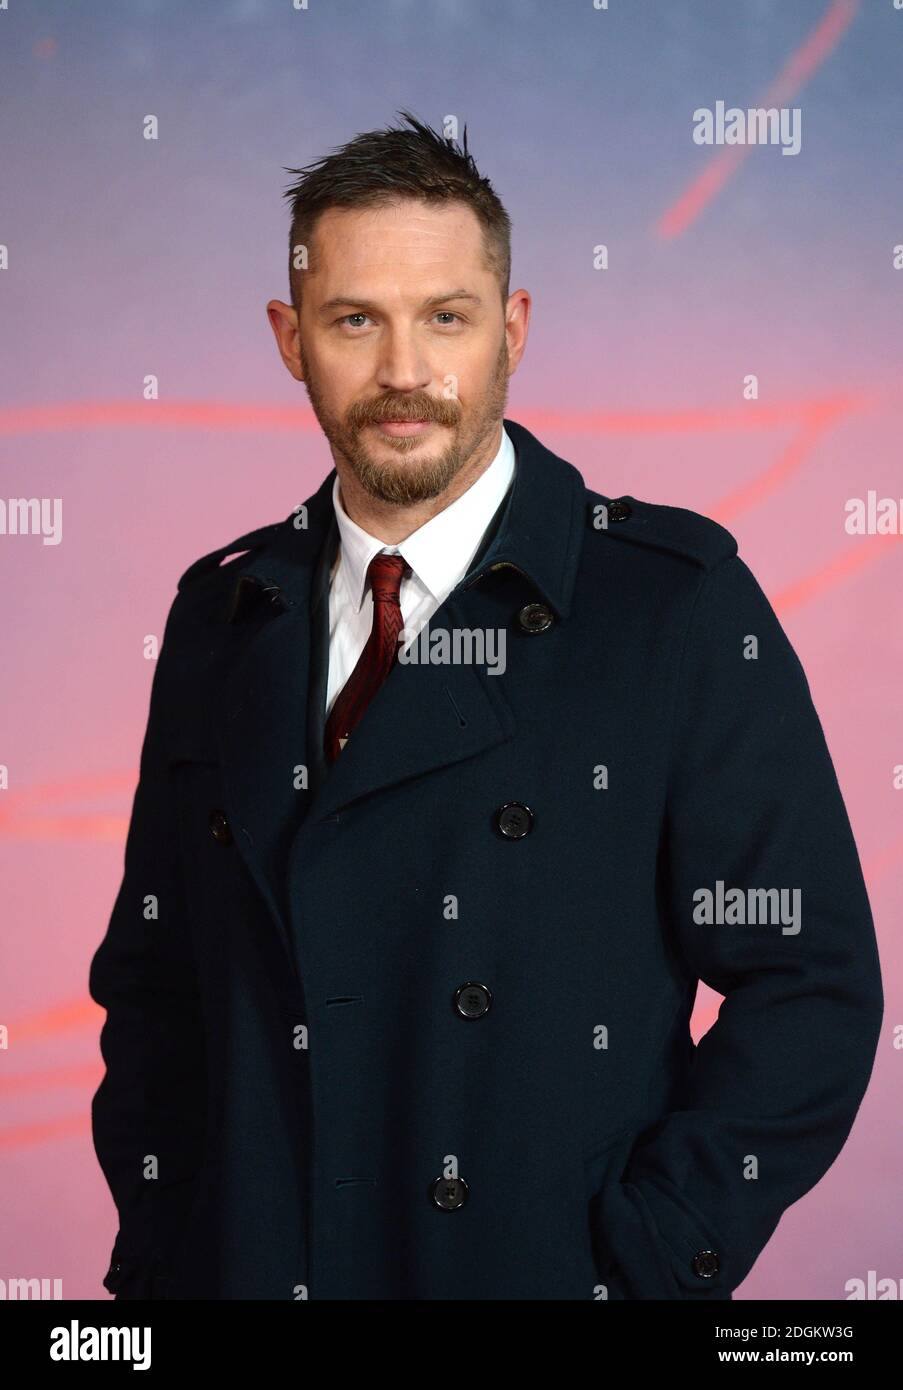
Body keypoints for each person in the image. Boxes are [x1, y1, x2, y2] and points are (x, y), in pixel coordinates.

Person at [90, 111, 883, 1300]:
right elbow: (154, 990)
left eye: (446, 318)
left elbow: (813, 986)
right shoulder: (220, 616)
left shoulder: (668, 606)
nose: (405, 370)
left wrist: (647, 1264)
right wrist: (164, 1260)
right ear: (290, 338)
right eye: (356, 319)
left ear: (512, 330)